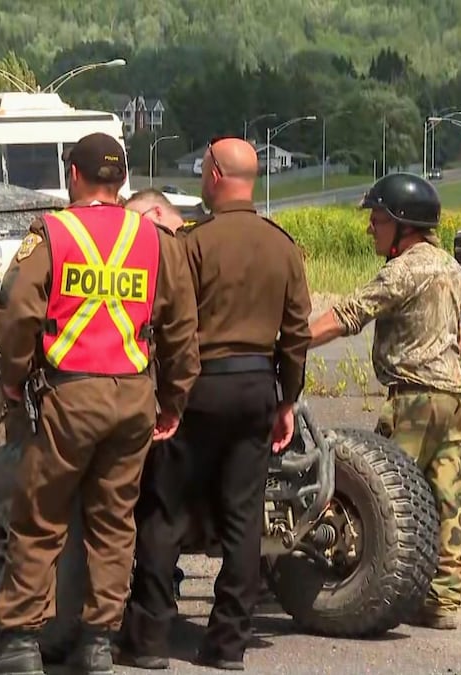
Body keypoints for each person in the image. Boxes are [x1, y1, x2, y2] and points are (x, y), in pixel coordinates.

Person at [0, 132, 200, 675]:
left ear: (74, 175)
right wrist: (173, 400)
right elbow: (182, 331)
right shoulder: (157, 240)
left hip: (69, 395)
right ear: (120, 181)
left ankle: (21, 643)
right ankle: (98, 644)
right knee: (115, 522)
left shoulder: (51, 233)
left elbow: (17, 314)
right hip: (133, 396)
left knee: (40, 517)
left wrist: (13, 375)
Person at [117, 137, 312, 671]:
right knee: (243, 519)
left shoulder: (191, 244)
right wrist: (286, 400)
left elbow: (171, 326)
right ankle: (226, 645)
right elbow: (294, 335)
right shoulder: (283, 246)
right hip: (256, 388)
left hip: (199, 386)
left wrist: (170, 397)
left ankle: (149, 638)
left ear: (215, 173)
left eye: (204, 169)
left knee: (164, 512)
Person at [306, 172, 461, 630]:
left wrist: (289, 341)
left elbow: (349, 314)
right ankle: (442, 601)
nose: (371, 227)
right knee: (445, 497)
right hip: (452, 395)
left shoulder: (404, 269)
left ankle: (371, 586)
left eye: (377, 219)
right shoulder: (447, 265)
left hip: (413, 399)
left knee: (381, 497)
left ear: (402, 224)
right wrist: (447, 354)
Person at [124, 188, 192, 600]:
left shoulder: (167, 250)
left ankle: (151, 601)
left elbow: (176, 334)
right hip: (225, 388)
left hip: (171, 394)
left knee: (154, 506)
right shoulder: (199, 244)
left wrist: (170, 401)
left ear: (153, 212)